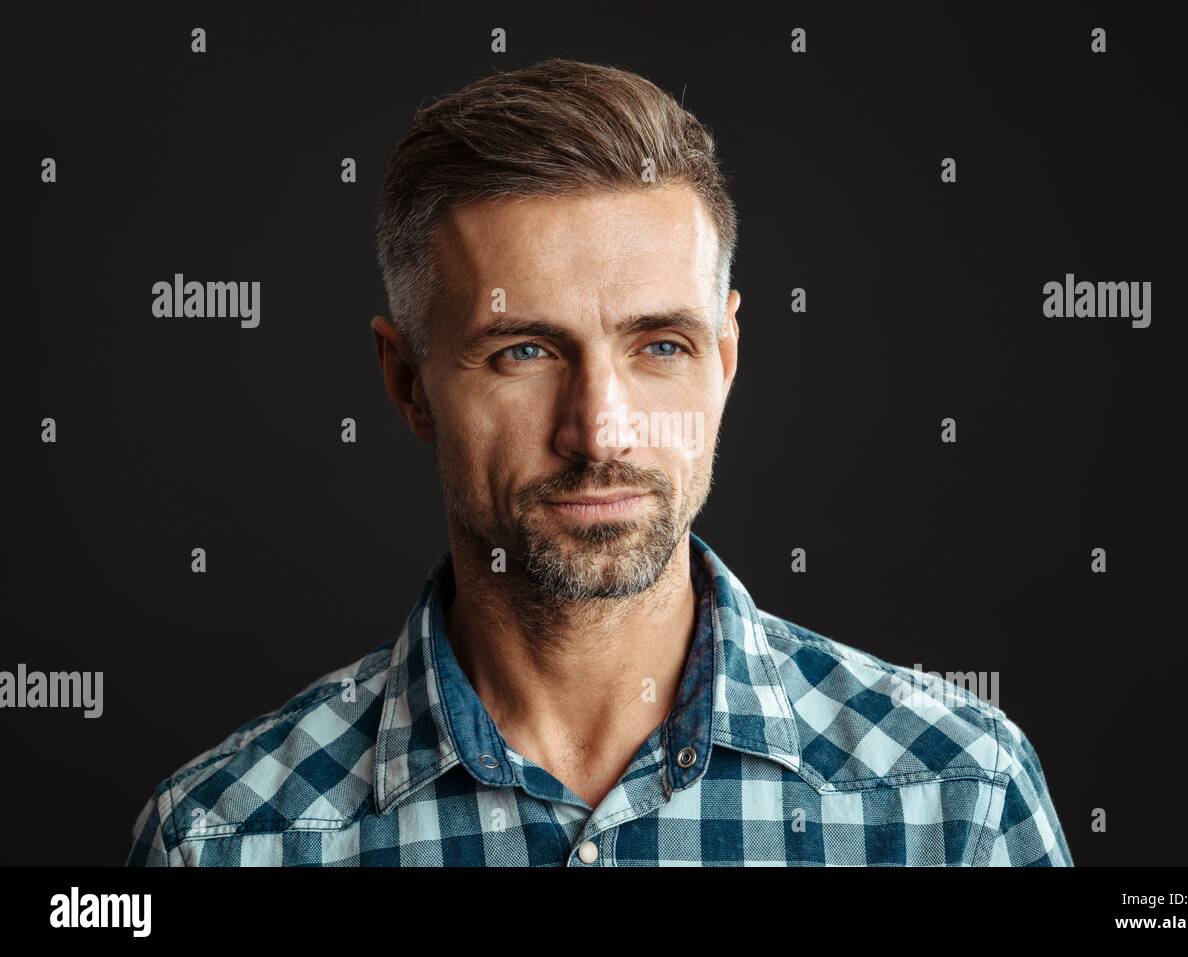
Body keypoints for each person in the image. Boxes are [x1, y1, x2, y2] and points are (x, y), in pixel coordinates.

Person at [127, 57, 1072, 867]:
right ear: (408, 381)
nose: (603, 431)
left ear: (726, 360)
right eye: (524, 351)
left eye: (660, 345)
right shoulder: (225, 838)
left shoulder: (956, 805)